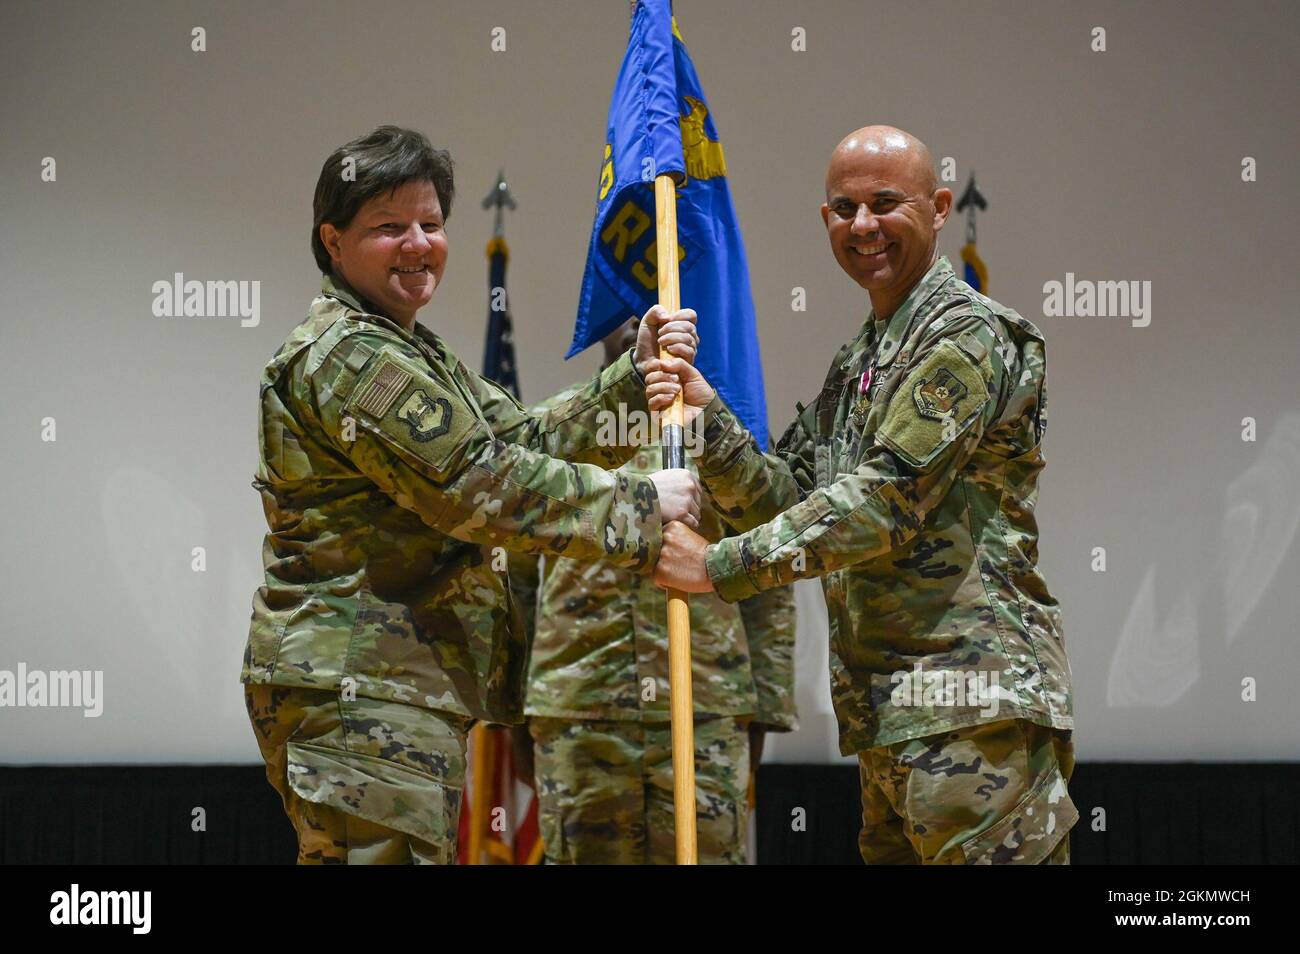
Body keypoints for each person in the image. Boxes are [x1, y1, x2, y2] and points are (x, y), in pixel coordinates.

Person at [241, 125, 702, 864]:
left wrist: (633, 382)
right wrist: (641, 506)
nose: (418, 245)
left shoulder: (409, 346)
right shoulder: (351, 354)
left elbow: (521, 441)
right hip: (361, 688)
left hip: (394, 685)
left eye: (430, 224)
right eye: (389, 227)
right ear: (333, 241)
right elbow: (474, 487)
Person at [645, 125, 1077, 864]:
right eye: (844, 209)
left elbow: (882, 503)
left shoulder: (966, 336)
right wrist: (705, 416)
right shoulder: (861, 361)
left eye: (886, 203)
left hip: (971, 709)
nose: (863, 226)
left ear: (939, 208)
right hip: (891, 714)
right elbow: (786, 498)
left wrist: (718, 568)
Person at [510, 319, 798, 864]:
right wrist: (512, 712)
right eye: (620, 305)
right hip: (579, 707)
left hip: (704, 706)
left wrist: (765, 709)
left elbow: (767, 576)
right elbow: (516, 580)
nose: (636, 317)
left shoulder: (717, 427)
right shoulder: (557, 430)